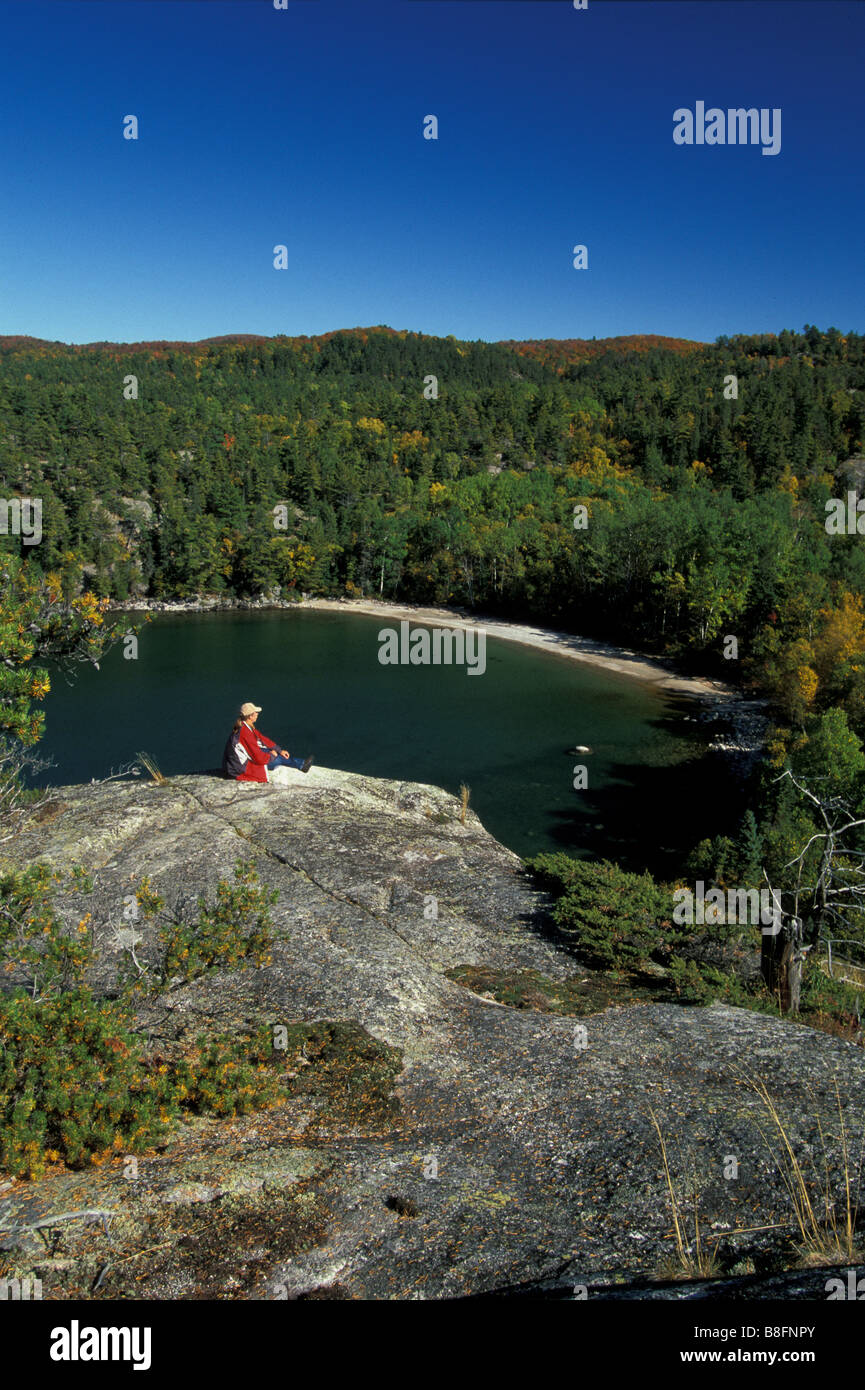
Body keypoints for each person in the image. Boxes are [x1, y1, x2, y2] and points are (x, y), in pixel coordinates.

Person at [222, 702, 314, 783]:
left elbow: (263, 739)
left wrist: (279, 750)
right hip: (239, 769)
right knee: (277, 759)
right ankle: (302, 765)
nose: (257, 714)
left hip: (235, 765)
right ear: (250, 716)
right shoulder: (245, 732)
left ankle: (300, 763)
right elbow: (257, 757)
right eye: (256, 712)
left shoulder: (245, 726)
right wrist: (272, 756)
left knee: (276, 753)